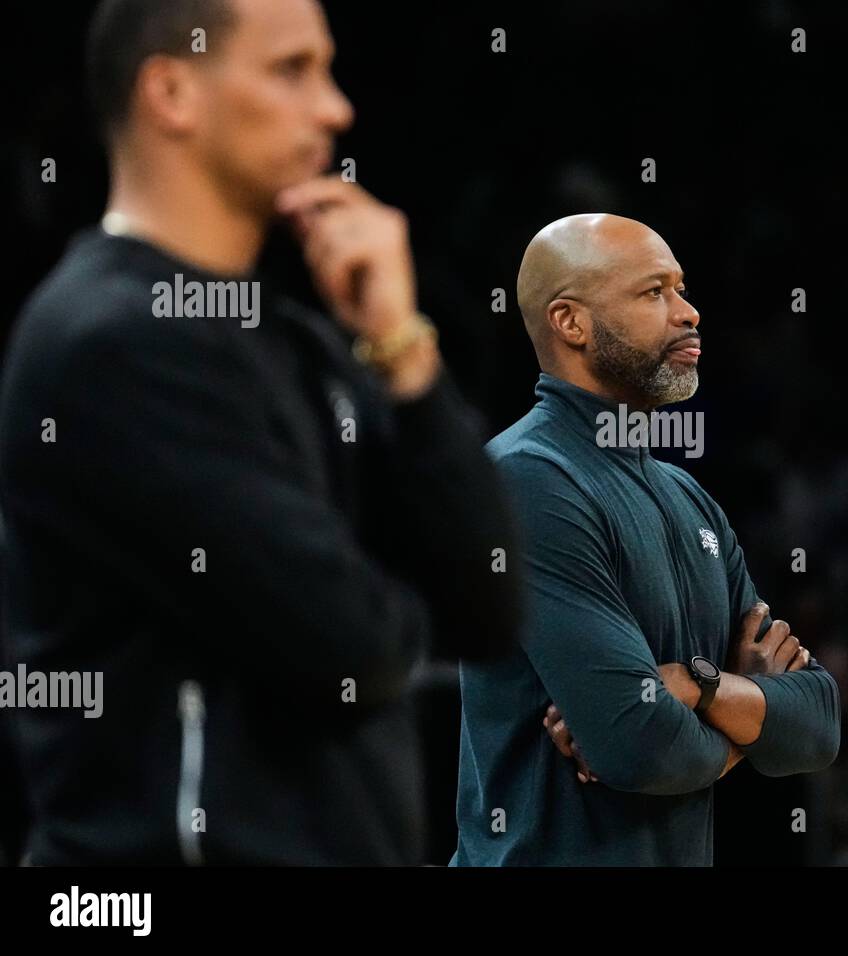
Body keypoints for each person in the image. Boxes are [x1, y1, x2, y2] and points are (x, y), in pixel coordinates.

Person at [0, 0, 520, 865]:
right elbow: (356, 643)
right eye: (293, 69)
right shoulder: (113, 341)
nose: (335, 109)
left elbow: (489, 610)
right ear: (172, 91)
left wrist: (404, 355)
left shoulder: (304, 340)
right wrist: (396, 597)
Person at [452, 214, 840, 865]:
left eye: (682, 289)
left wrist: (696, 686)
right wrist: (746, 715)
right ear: (570, 322)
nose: (689, 313)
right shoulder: (526, 477)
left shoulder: (691, 499)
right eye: (654, 292)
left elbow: (818, 727)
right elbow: (639, 745)